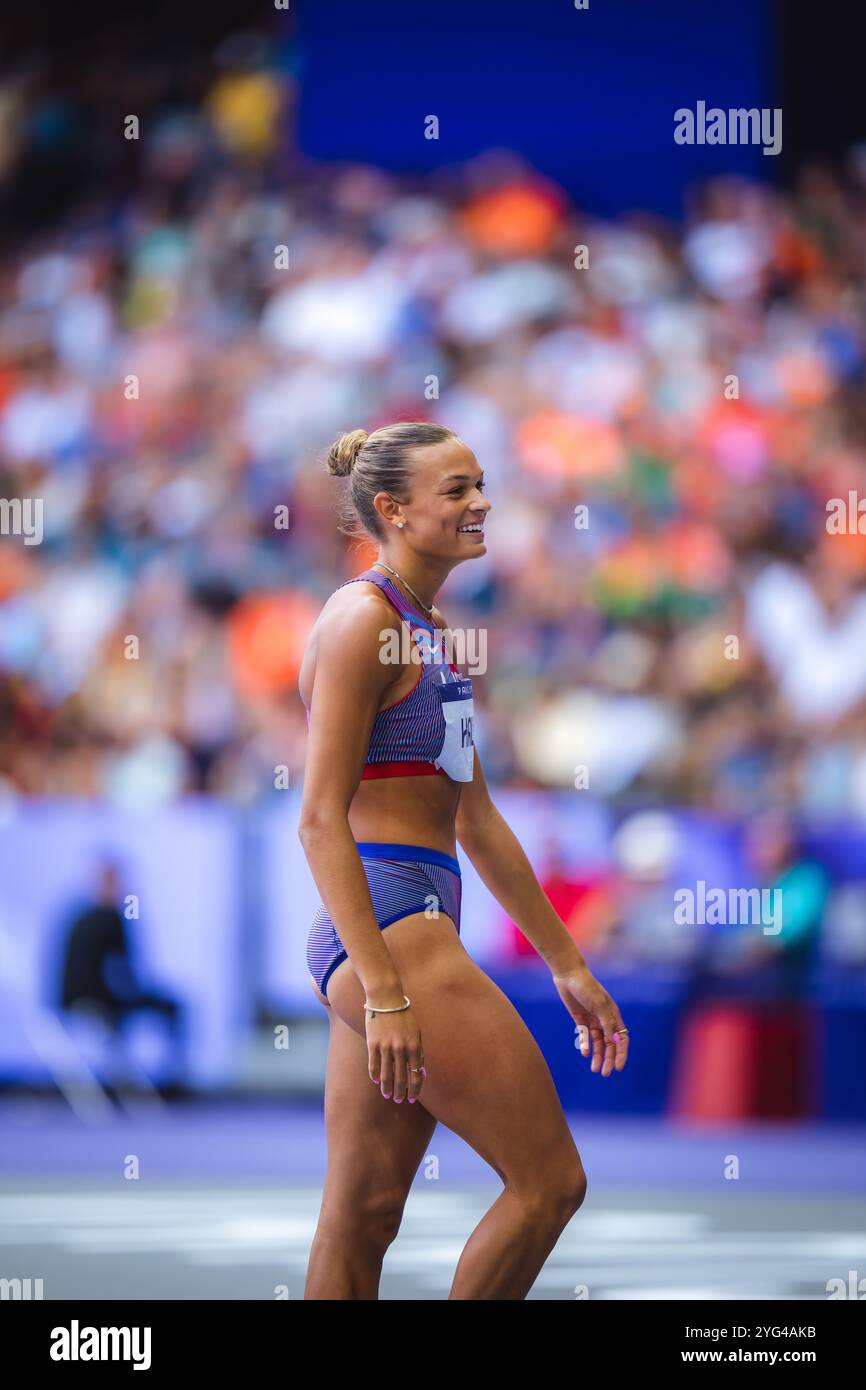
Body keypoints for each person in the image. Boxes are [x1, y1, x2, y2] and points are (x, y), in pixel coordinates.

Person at [297, 420, 630, 1301]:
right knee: (552, 1183)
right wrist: (385, 989)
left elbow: (477, 820)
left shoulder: (429, 631)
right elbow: (318, 820)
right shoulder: (360, 622)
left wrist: (568, 963)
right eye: (458, 490)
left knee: (361, 1214)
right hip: (391, 932)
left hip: (396, 928)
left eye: (481, 483)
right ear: (392, 510)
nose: (482, 503)